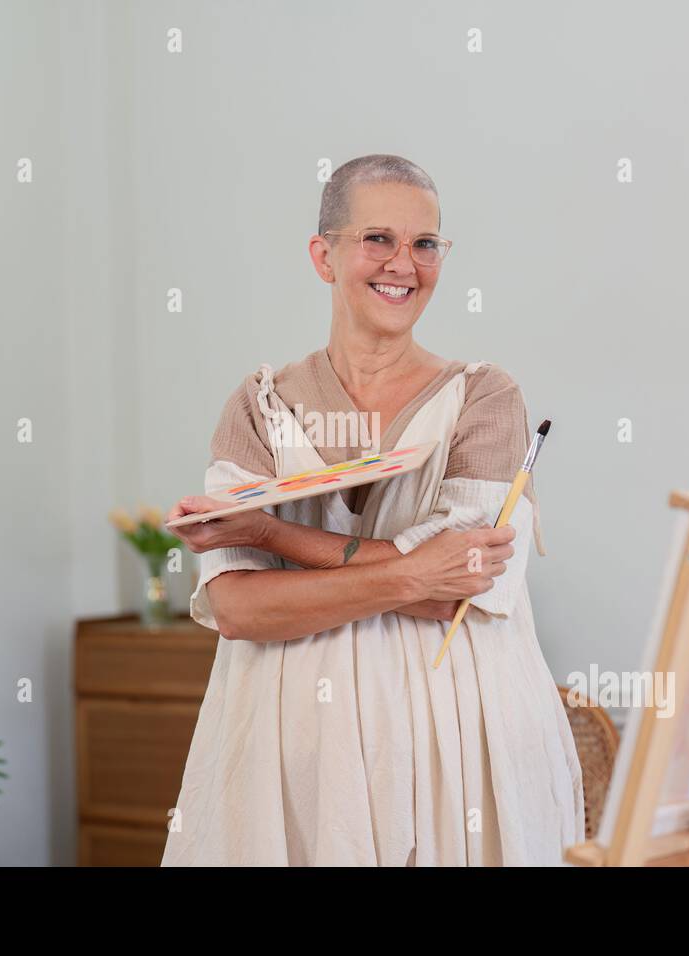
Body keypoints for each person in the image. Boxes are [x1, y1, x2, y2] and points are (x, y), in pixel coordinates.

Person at [161, 154, 583, 866]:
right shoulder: (259, 407)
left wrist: (270, 533)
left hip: (462, 749)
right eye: (378, 239)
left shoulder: (484, 397)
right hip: (290, 758)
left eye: (425, 244)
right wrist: (415, 573)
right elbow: (238, 610)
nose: (404, 264)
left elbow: (466, 588)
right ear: (323, 256)